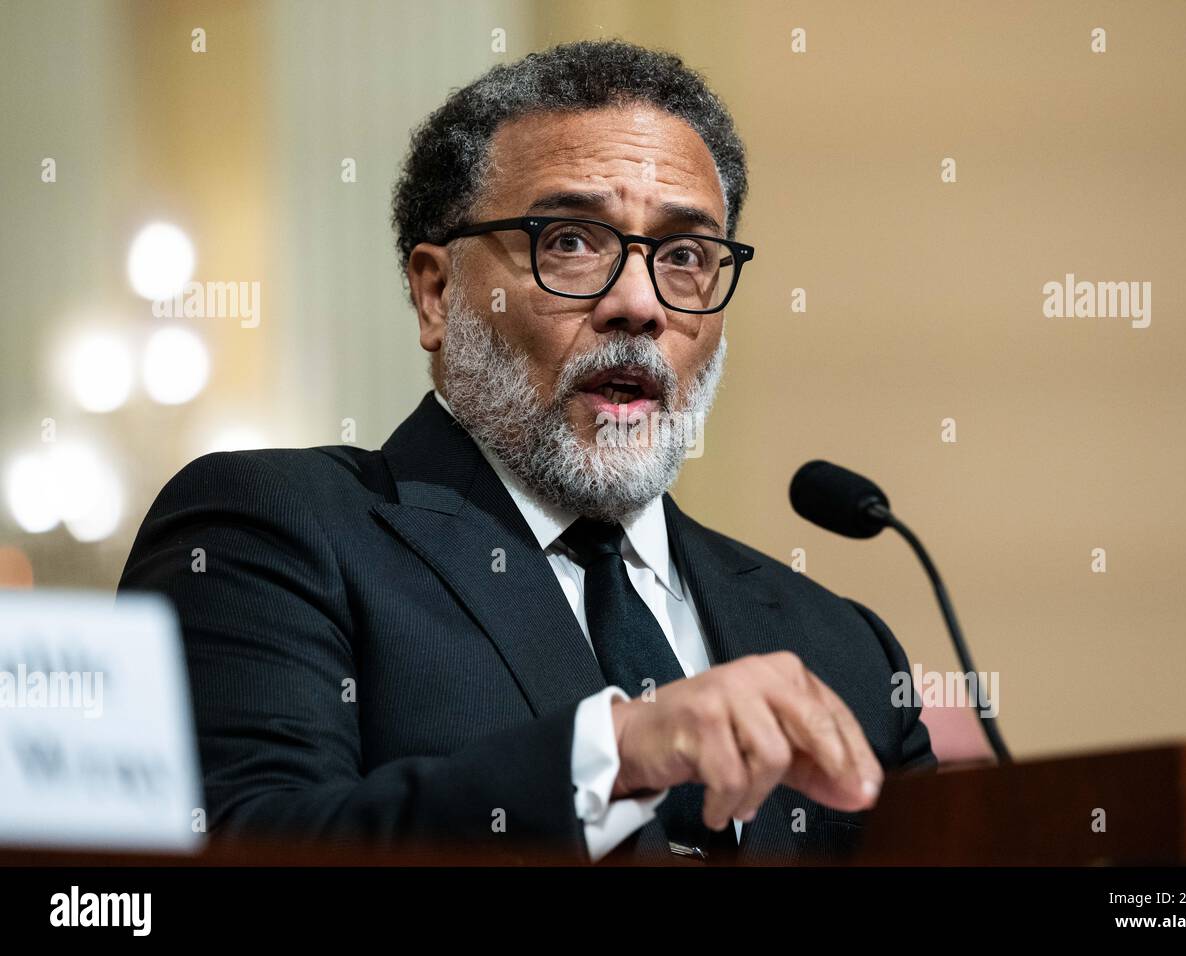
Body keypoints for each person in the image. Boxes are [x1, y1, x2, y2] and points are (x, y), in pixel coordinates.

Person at [119, 38, 934, 865]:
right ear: (437, 292)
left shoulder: (843, 650)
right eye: (570, 242)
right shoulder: (268, 530)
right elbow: (243, 843)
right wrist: (615, 754)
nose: (639, 303)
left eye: (685, 256)